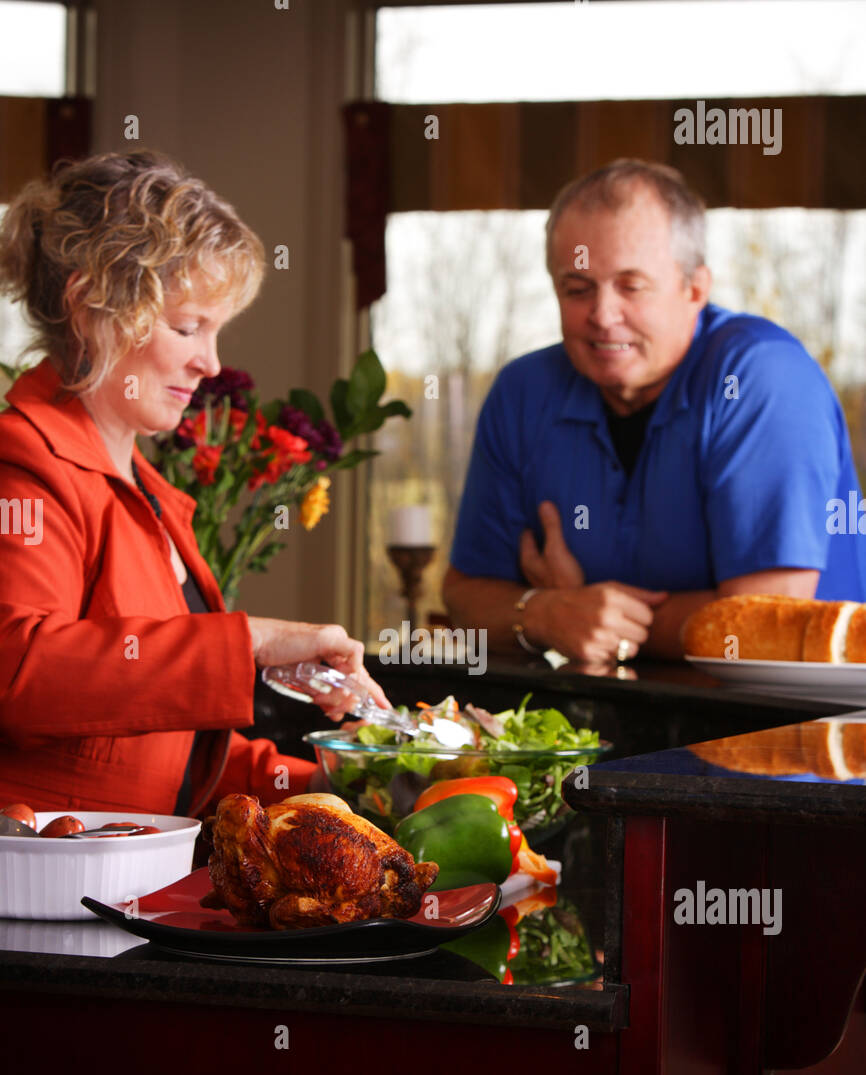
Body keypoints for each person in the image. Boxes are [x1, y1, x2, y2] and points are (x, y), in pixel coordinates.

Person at [0, 150, 388, 816]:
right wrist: (253, 644)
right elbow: (20, 674)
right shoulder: (22, 463)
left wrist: (331, 782)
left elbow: (154, 751)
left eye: (215, 331)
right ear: (91, 305)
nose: (210, 362)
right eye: (187, 327)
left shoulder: (149, 490)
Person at [444, 159, 866, 664]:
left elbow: (760, 627)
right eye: (577, 289)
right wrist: (546, 613)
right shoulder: (522, 393)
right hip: (619, 717)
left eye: (631, 286)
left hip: (803, 729)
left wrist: (599, 615)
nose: (602, 316)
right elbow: (464, 595)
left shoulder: (762, 379)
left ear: (695, 289)